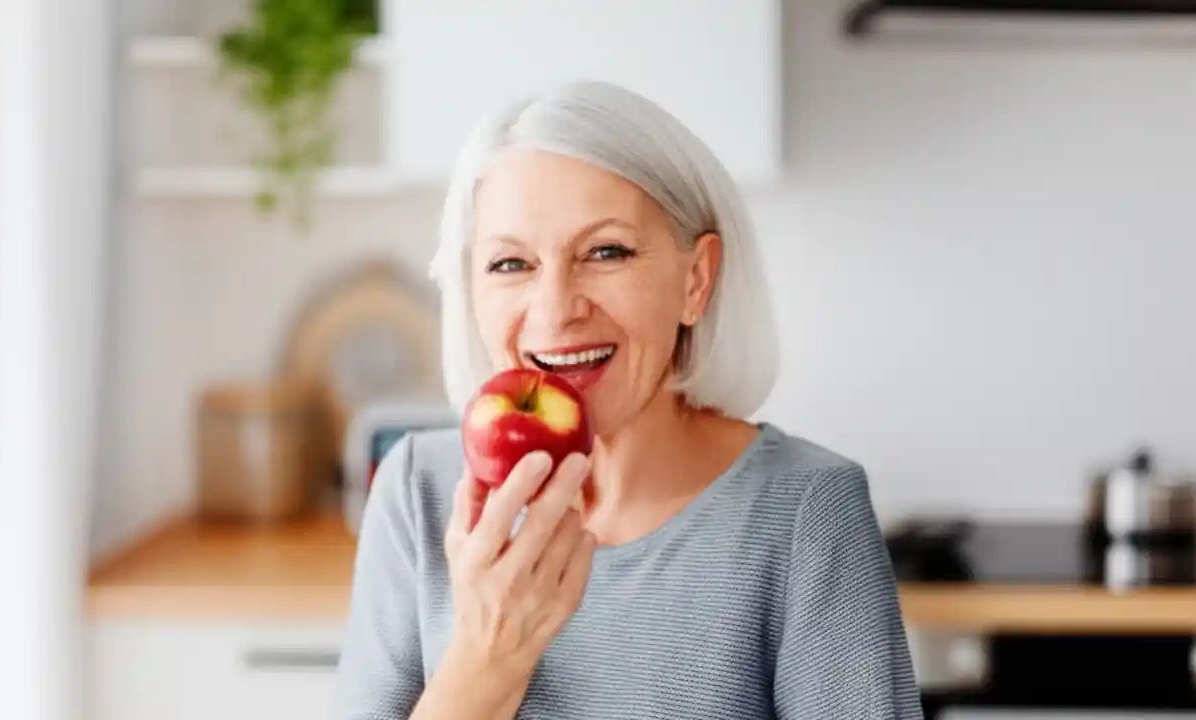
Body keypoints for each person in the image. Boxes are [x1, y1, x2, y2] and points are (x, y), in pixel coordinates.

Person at [334, 80, 923, 719]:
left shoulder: (806, 512)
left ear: (696, 280)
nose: (556, 311)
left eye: (605, 252)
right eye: (511, 264)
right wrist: (487, 657)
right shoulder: (417, 494)